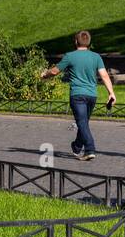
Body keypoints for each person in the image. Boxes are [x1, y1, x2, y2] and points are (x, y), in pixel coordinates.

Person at [42, 30, 116, 161]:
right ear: (89, 43)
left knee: (82, 122)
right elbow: (104, 75)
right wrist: (111, 93)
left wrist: (44, 75)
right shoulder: (96, 57)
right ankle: (77, 146)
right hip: (92, 95)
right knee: (83, 123)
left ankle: (90, 149)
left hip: (77, 95)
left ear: (76, 42)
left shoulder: (70, 56)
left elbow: (54, 71)